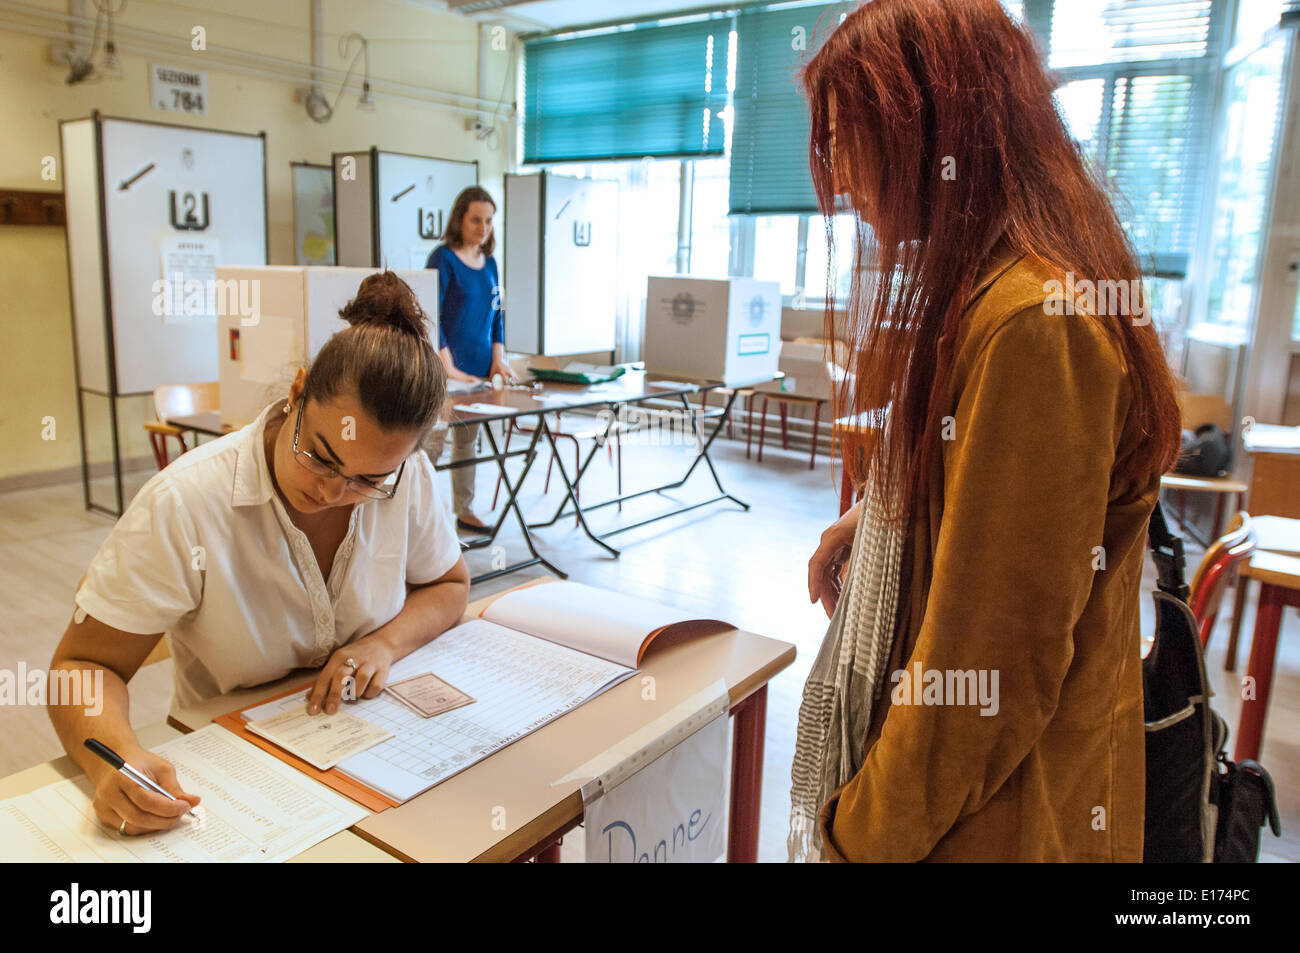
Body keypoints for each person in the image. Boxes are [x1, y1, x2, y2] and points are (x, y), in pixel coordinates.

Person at [791, 0, 1182, 862]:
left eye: (851, 140)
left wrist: (856, 837)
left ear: (937, 130)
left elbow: (987, 675)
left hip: (995, 819)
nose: (840, 177)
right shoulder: (1008, 284)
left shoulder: (1034, 321)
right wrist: (885, 514)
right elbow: (1015, 513)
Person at [47, 271, 469, 837]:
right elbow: (81, 667)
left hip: (369, 753)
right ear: (298, 393)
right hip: (227, 766)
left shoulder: (408, 477)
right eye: (320, 456)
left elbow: (449, 585)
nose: (331, 492)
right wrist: (115, 761)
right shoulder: (187, 502)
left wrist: (382, 644)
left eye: (368, 480)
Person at [424, 185, 517, 532]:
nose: (483, 228)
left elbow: (497, 316)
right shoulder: (442, 259)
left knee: (467, 443)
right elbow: (430, 315)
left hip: (478, 371)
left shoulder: (490, 263)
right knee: (432, 446)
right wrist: (447, 367)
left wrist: (498, 360)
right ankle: (420, 519)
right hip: (446, 372)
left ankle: (464, 510)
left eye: (489, 221)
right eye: (476, 220)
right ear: (459, 220)